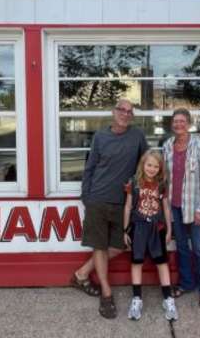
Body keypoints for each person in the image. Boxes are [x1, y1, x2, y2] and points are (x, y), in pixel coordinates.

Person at [70, 98, 149, 319]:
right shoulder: (100, 136)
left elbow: (147, 163)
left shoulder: (137, 136)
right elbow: (90, 167)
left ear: (132, 116)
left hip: (123, 203)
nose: (125, 113)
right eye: (121, 109)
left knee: (118, 246)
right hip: (97, 199)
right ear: (113, 112)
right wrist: (86, 196)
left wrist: (139, 187)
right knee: (99, 246)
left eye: (129, 111)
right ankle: (106, 294)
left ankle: (81, 274)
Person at [163, 108, 200, 308]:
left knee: (199, 249)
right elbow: (165, 177)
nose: (178, 125)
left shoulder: (199, 146)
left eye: (182, 121)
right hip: (174, 206)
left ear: (189, 123)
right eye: (175, 121)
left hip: (193, 206)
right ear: (172, 124)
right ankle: (186, 283)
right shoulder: (167, 145)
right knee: (182, 247)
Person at [123, 151, 178, 321]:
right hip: (138, 227)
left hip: (157, 227)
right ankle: (137, 299)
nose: (152, 169)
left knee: (161, 262)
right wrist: (125, 230)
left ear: (160, 168)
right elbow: (128, 206)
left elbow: (166, 208)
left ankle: (168, 299)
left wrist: (169, 229)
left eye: (156, 166)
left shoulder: (161, 184)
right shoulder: (134, 182)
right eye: (149, 165)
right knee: (136, 262)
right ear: (143, 165)